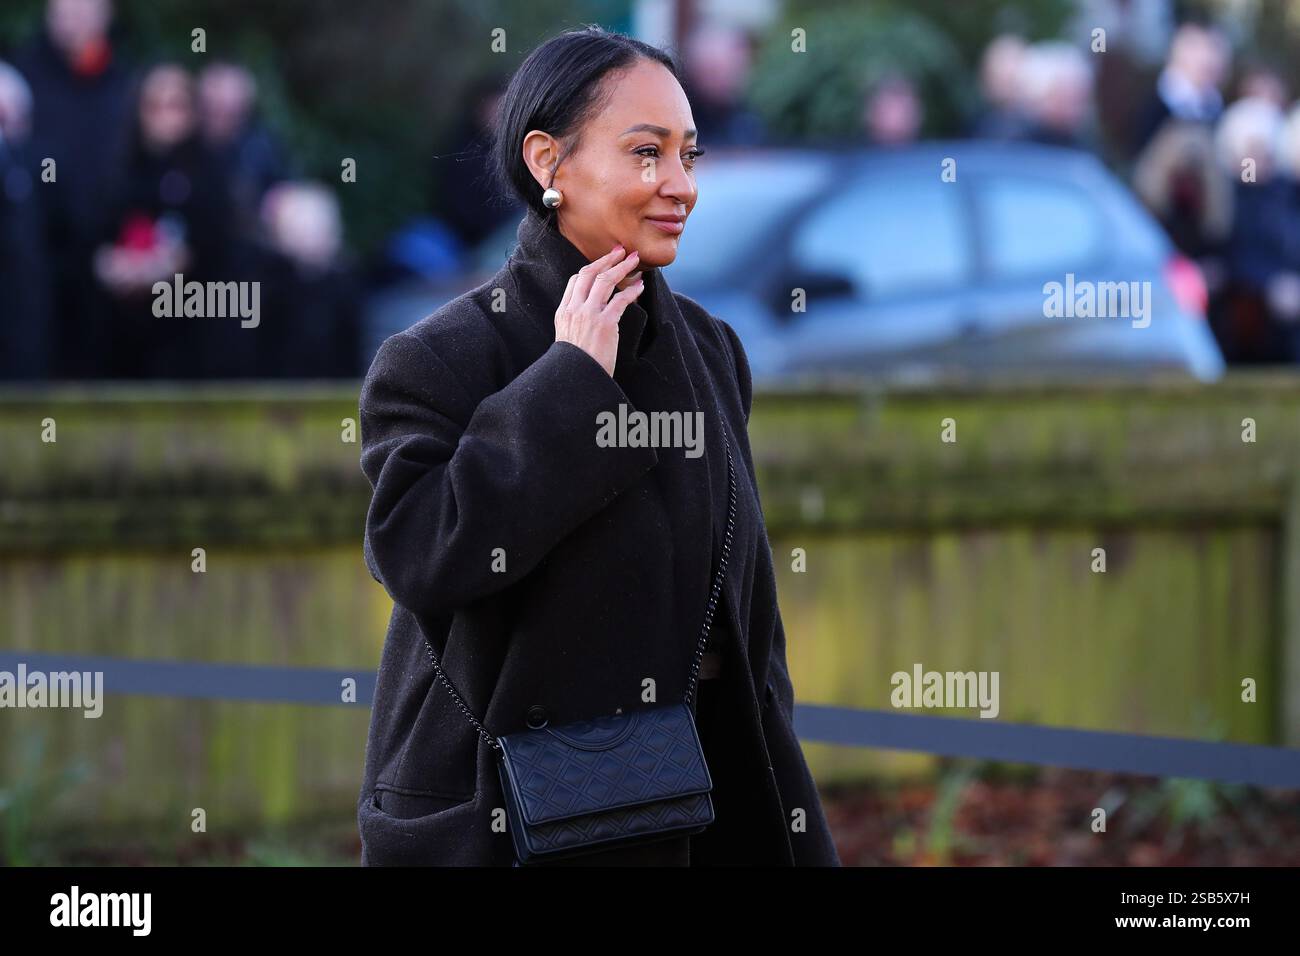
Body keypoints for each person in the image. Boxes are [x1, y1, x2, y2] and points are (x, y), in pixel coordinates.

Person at [355, 25, 840, 867]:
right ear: (549, 163)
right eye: (647, 152)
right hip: (508, 825)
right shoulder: (438, 359)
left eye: (690, 154)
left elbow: (752, 632)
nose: (680, 185)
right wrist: (570, 381)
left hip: (709, 813)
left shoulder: (710, 349)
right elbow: (421, 555)